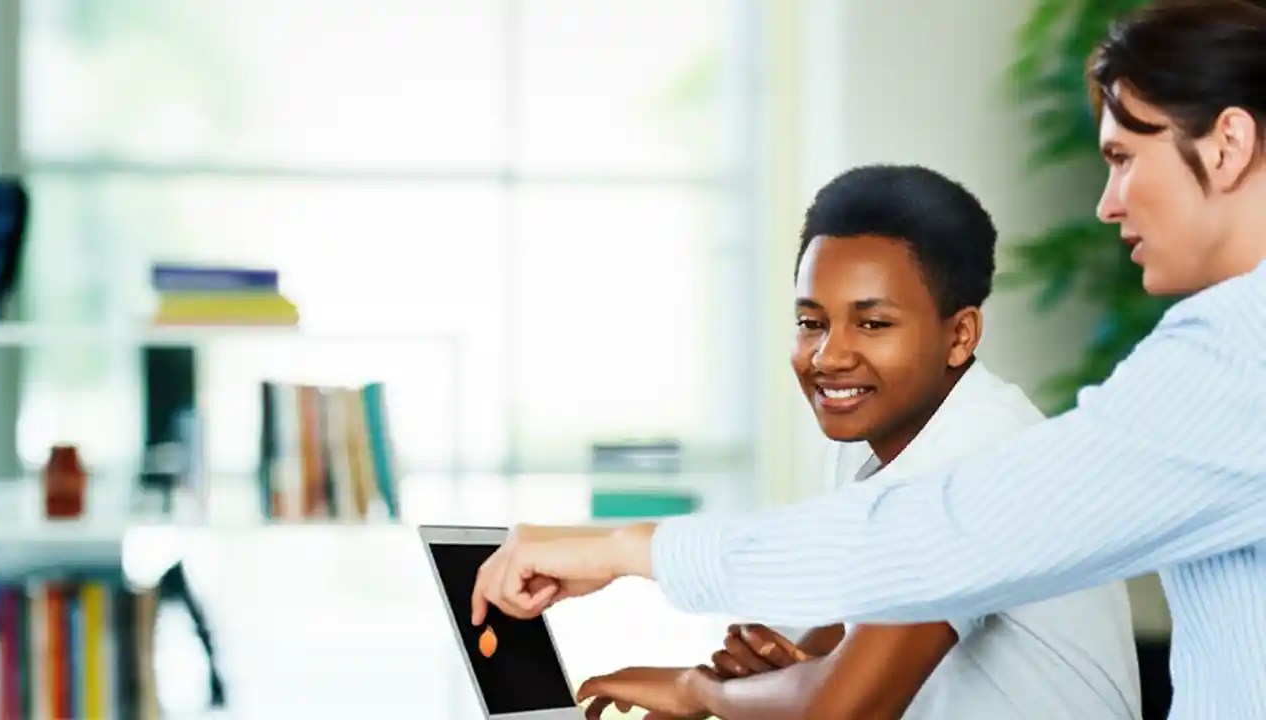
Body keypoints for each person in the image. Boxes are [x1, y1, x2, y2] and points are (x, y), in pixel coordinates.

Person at [471, 2, 1266, 717]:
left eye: (1124, 157)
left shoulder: (1236, 355)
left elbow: (935, 540)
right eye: (810, 320)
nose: (1107, 202)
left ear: (1228, 144)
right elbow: (868, 597)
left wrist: (622, 555)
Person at [573, 165, 1140, 719]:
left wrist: (699, 691)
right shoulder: (870, 445)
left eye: (872, 324)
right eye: (811, 322)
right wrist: (770, 675)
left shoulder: (976, 456)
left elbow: (842, 707)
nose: (829, 357)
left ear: (959, 335)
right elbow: (841, 645)